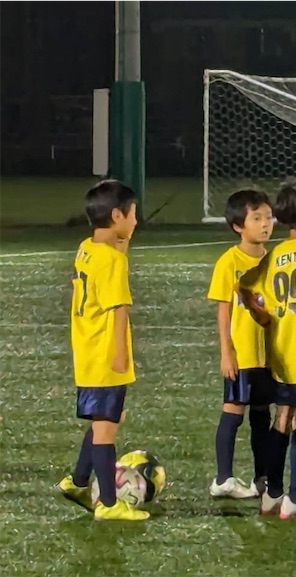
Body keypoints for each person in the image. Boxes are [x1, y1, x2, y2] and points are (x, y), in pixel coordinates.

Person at [57, 179, 148, 521]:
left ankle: (79, 482)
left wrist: (125, 242)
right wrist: (121, 356)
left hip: (88, 350)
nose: (136, 221)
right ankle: (109, 505)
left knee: (102, 422)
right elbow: (118, 309)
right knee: (107, 428)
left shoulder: (87, 247)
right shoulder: (112, 262)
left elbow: (112, 261)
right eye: (133, 215)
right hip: (107, 354)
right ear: (117, 215)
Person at [238, 178, 296, 519]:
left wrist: (262, 315)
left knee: (283, 417)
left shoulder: (275, 254)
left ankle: (271, 495)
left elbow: (244, 286)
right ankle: (295, 499)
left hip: (281, 352)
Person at [206, 189, 275, 499]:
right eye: (257, 218)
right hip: (242, 353)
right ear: (238, 226)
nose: (265, 224)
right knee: (233, 412)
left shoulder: (274, 260)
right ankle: (223, 478)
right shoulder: (229, 262)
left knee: (262, 415)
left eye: (268, 217)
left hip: (270, 355)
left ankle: (262, 478)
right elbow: (223, 312)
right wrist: (227, 352)